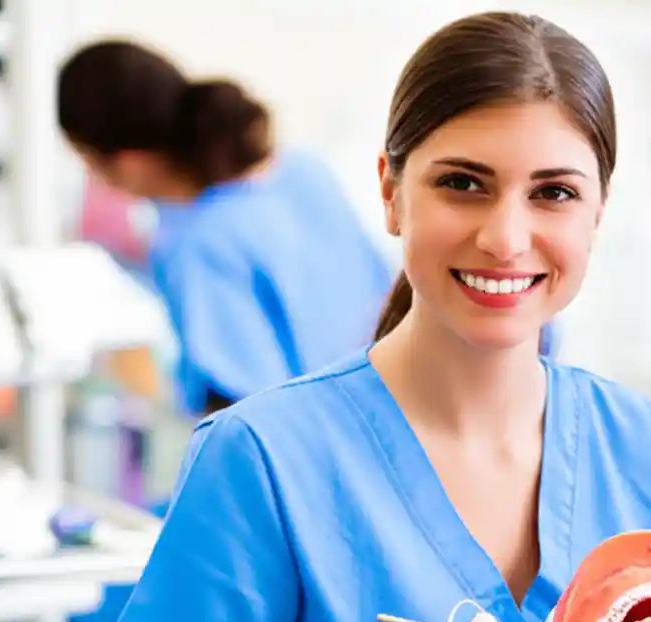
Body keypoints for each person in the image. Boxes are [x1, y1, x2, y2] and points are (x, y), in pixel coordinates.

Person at [89, 11, 651, 622]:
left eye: (554, 193)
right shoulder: (260, 464)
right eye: (464, 184)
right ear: (392, 192)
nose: (506, 238)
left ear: (598, 213)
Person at [57, 39, 397, 418]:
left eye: (90, 164)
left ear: (129, 162)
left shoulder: (198, 246)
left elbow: (241, 416)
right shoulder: (302, 170)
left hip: (314, 457)